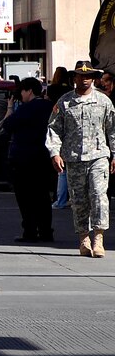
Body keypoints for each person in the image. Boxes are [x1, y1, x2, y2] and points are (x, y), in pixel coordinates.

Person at [46, 61, 115, 258]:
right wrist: (55, 153)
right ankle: (84, 238)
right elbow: (54, 129)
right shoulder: (64, 102)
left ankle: (98, 238)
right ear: (74, 78)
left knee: (99, 195)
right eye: (80, 75)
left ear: (93, 78)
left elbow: (112, 129)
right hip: (74, 159)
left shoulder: (104, 102)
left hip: (98, 156)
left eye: (88, 76)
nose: (84, 79)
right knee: (79, 200)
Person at [1, 78, 55, 242]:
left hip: (24, 157)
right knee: (43, 196)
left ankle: (30, 231)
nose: (21, 95)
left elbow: (7, 125)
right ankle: (46, 230)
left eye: (22, 92)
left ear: (29, 90)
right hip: (44, 156)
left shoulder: (26, 109)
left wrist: (10, 107)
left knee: (25, 197)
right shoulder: (49, 107)